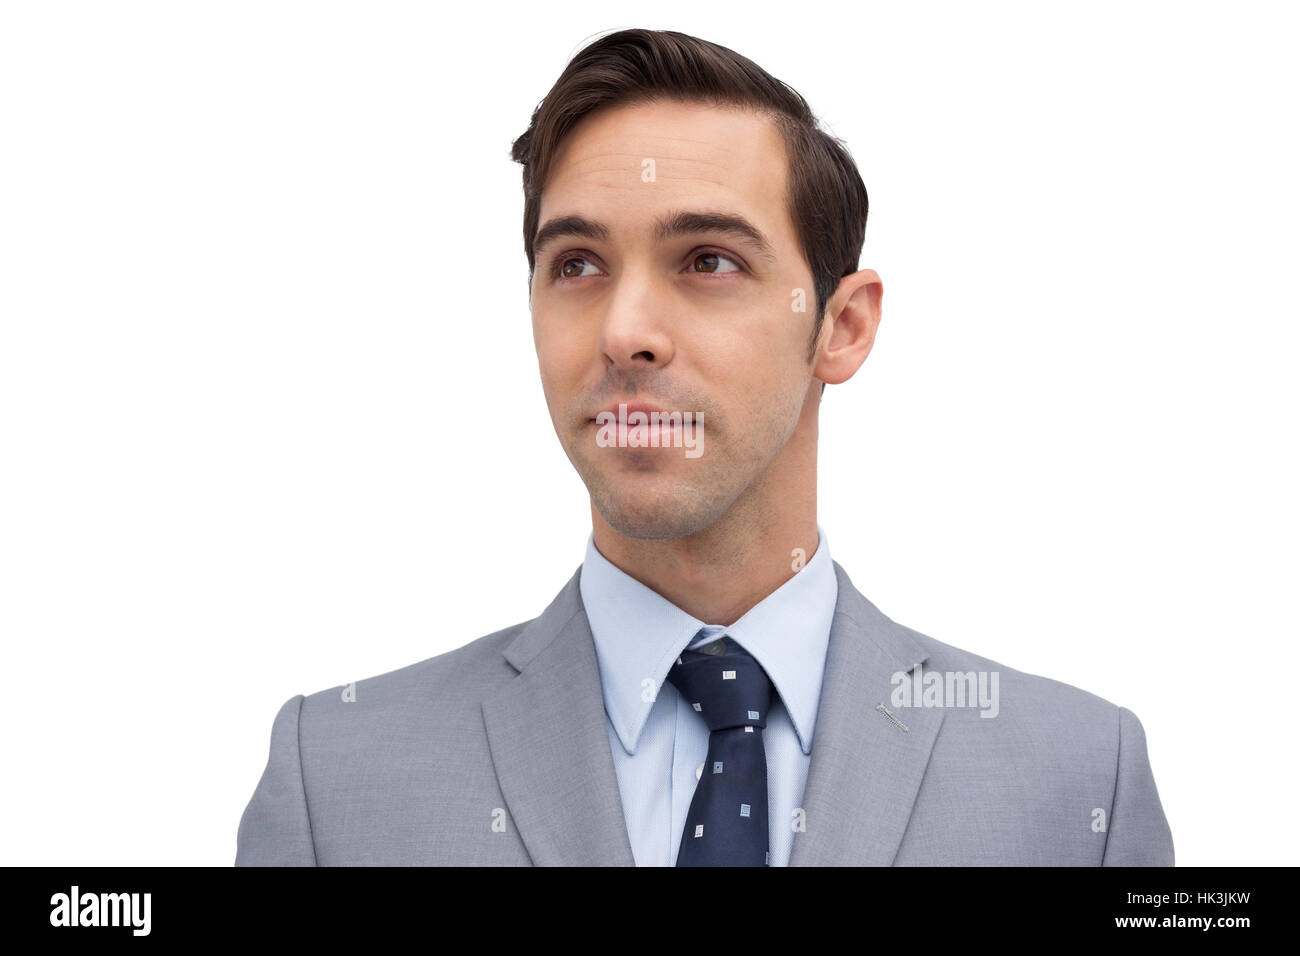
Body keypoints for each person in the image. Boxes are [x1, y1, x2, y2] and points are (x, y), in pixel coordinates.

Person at [236, 28, 1174, 866]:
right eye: (578, 265)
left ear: (841, 326)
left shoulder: (1080, 780)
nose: (624, 330)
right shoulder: (337, 782)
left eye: (709, 261)